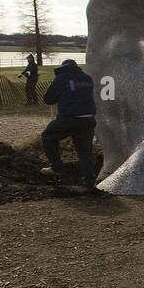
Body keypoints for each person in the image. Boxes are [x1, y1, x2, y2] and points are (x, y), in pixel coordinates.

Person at [40, 59, 98, 190]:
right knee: (85, 151)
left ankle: (57, 167)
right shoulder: (87, 78)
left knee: (48, 137)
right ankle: (89, 183)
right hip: (88, 119)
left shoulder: (62, 78)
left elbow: (48, 99)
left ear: (63, 67)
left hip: (69, 118)